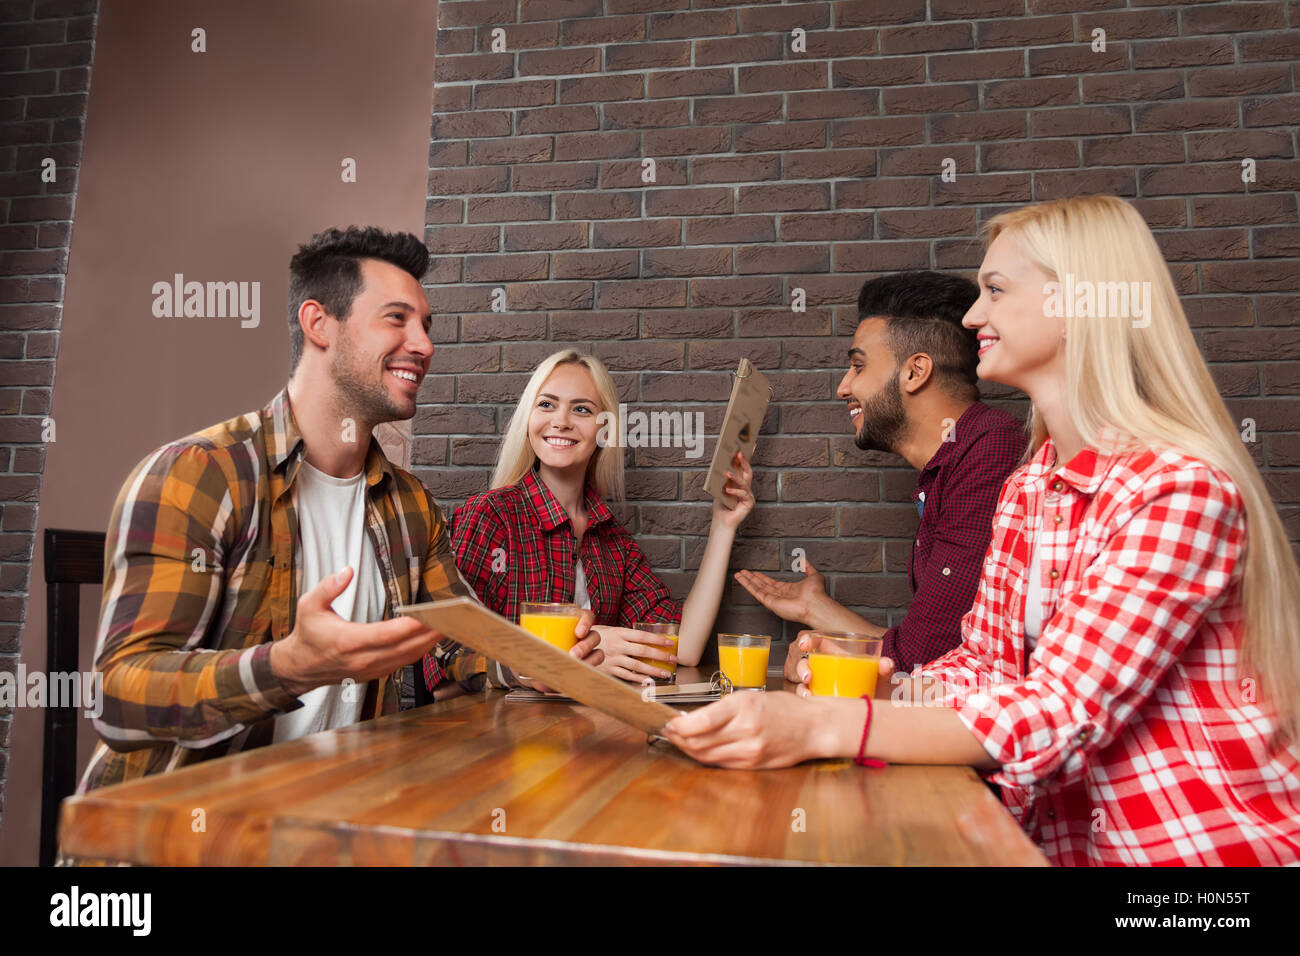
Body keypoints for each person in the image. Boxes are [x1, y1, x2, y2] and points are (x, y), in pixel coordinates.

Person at [665, 195, 1300, 866]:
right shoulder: (1032, 486)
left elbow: (1062, 710)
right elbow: (984, 668)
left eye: (995, 291)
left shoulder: (1179, 489)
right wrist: (867, 683)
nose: (972, 316)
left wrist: (822, 723)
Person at [78, 227, 602, 793]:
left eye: (425, 325)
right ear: (318, 323)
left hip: (331, 817)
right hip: (178, 835)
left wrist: (527, 664)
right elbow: (119, 697)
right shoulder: (198, 474)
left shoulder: (410, 505)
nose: (424, 344)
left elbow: (458, 637)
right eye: (397, 318)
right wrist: (288, 665)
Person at [736, 271, 1024, 677]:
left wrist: (826, 652)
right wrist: (815, 609)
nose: (843, 387)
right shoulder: (951, 463)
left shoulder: (992, 451)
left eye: (857, 366)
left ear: (914, 371)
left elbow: (923, 660)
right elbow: (922, 652)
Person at [424, 349, 755, 693]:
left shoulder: (613, 541)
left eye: (581, 409)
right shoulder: (489, 515)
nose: (561, 421)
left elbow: (682, 647)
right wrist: (585, 647)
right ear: (528, 418)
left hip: (587, 732)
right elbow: (443, 660)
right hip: (495, 734)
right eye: (547, 404)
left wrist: (723, 525)